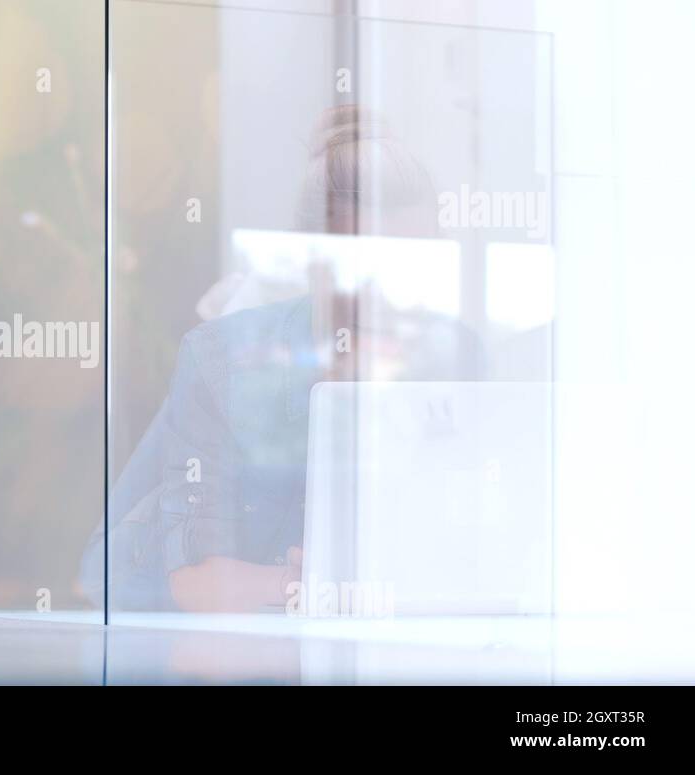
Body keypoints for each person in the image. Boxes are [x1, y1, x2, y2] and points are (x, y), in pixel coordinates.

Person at [81, 105, 483, 612]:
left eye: (414, 264)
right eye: (366, 266)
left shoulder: (456, 354)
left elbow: (475, 542)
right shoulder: (226, 360)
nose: (390, 296)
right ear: (314, 260)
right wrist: (309, 587)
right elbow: (192, 580)